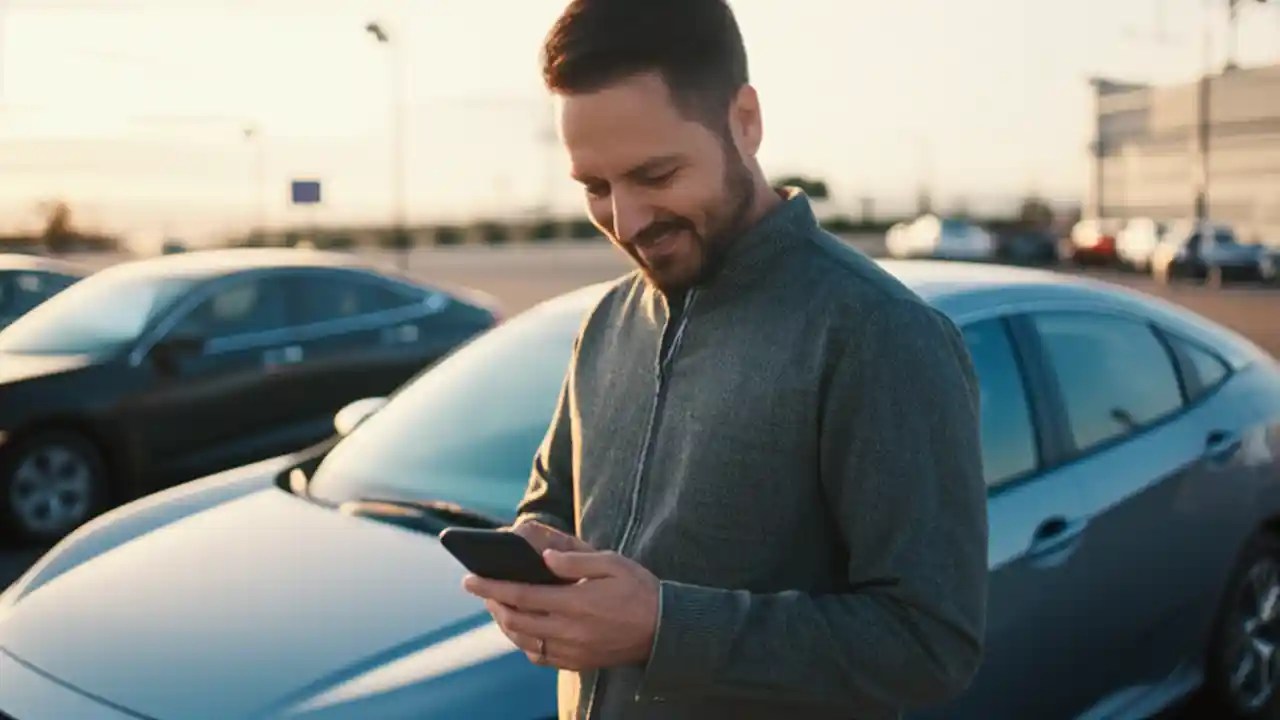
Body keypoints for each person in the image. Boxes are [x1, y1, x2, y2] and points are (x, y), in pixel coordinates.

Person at [462, 1, 989, 718]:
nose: (627, 221)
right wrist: (533, 559)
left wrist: (664, 627)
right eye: (595, 187)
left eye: (656, 175)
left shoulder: (879, 335)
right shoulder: (608, 319)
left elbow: (930, 644)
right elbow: (551, 502)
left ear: (745, 121)